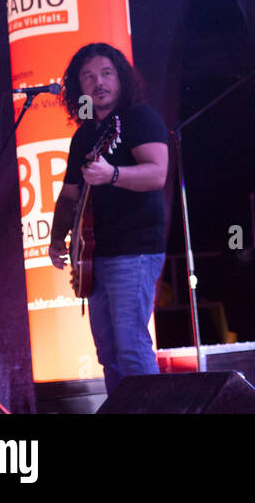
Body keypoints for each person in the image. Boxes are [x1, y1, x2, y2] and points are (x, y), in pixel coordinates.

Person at [50, 42, 170, 394]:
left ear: (121, 78)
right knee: (109, 354)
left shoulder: (139, 119)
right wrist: (58, 238)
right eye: (88, 77)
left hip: (134, 251)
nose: (98, 82)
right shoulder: (85, 134)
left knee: (132, 349)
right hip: (93, 257)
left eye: (106, 73)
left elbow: (157, 173)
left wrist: (113, 174)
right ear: (77, 88)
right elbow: (70, 194)